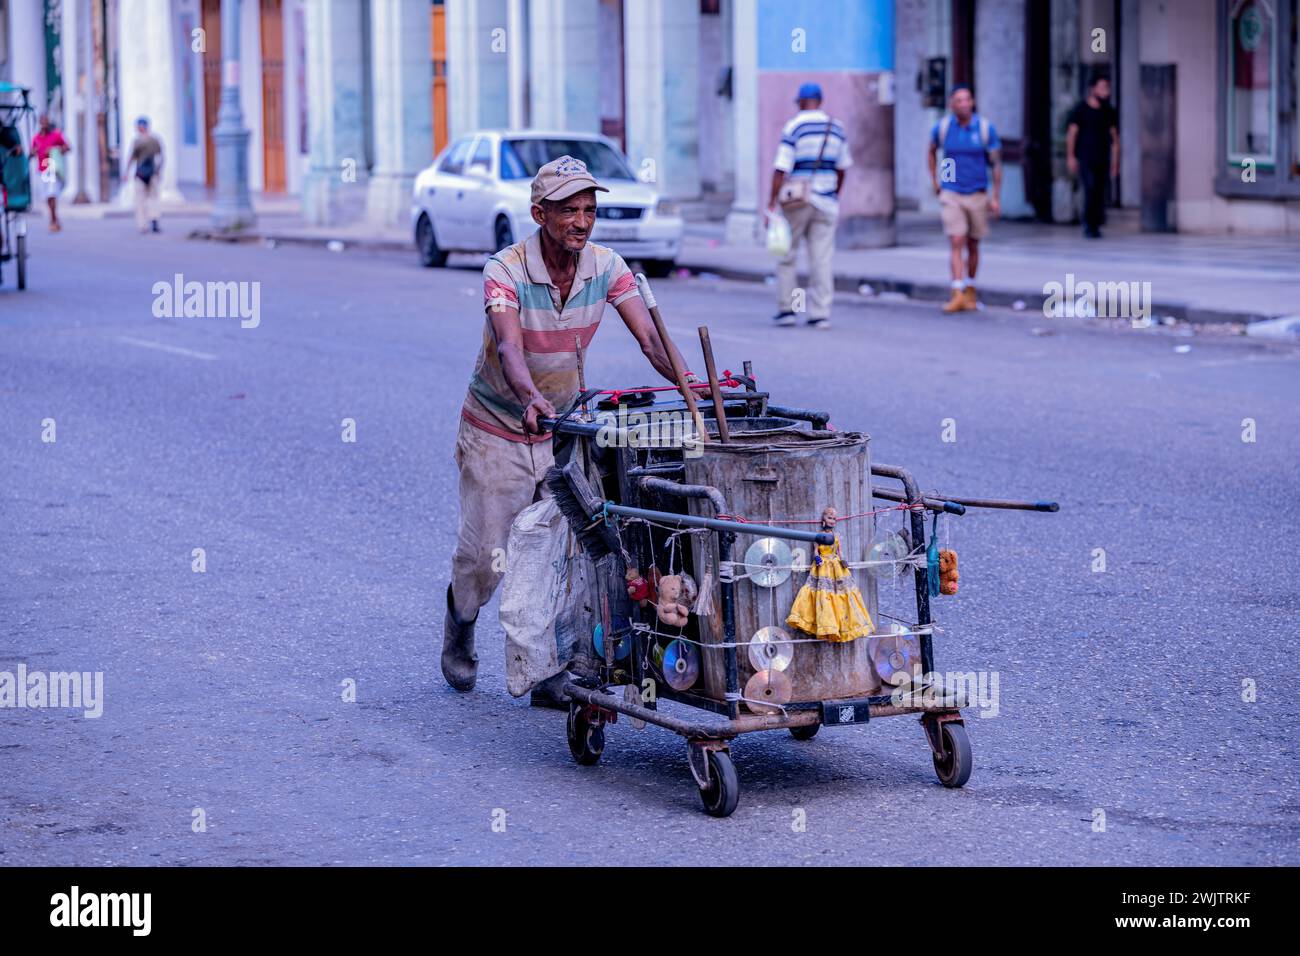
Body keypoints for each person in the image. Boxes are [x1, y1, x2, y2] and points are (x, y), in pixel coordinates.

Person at [441, 155, 692, 707]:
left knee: (563, 552)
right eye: (569, 212)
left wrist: (694, 388)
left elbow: (651, 341)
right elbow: (508, 345)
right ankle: (460, 619)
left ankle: (546, 669)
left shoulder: (607, 265)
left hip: (562, 430)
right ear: (539, 213)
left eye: (589, 211)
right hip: (498, 428)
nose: (582, 222)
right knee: (488, 556)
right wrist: (530, 396)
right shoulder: (503, 269)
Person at [766, 82, 853, 331]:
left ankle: (788, 310)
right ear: (820, 101)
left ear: (802, 102)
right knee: (822, 259)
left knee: (787, 255)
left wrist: (771, 203)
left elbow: (781, 168)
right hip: (826, 201)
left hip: (798, 201)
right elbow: (843, 167)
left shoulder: (795, 126)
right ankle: (819, 313)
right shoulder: (836, 128)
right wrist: (834, 193)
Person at [927, 85, 1002, 313]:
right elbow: (934, 152)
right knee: (956, 239)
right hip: (952, 192)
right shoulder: (944, 128)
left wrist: (995, 196)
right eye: (959, 100)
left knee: (973, 243)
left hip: (977, 191)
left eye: (967, 100)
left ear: (972, 102)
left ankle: (970, 288)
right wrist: (939, 182)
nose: (963, 104)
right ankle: (956, 290)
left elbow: (995, 163)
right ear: (952, 104)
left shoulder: (984, 129)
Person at [1066, 73, 1120, 239]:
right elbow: (1072, 134)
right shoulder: (1080, 109)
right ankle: (1088, 223)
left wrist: (1115, 162)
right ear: (1093, 88)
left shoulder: (1108, 111)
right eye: (1103, 87)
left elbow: (1115, 138)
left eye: (1107, 88)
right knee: (1089, 189)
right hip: (1085, 157)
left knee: (1099, 191)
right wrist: (1071, 156)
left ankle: (1096, 223)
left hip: (1102, 157)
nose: (1106, 91)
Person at [29, 115, 71, 232]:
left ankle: (53, 220)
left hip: (52, 169)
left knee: (52, 194)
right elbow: (30, 153)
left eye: (46, 122)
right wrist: (33, 152)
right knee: (47, 196)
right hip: (41, 170)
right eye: (43, 122)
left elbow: (67, 147)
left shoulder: (56, 135)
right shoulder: (36, 138)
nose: (44, 124)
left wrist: (56, 149)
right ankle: (54, 218)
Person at [124, 117, 163, 234]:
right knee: (153, 198)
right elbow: (161, 157)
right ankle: (154, 219)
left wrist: (126, 172)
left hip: (140, 174)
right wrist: (159, 171)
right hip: (153, 173)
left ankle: (143, 224)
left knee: (140, 200)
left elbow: (132, 158)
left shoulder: (138, 141)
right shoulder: (155, 140)